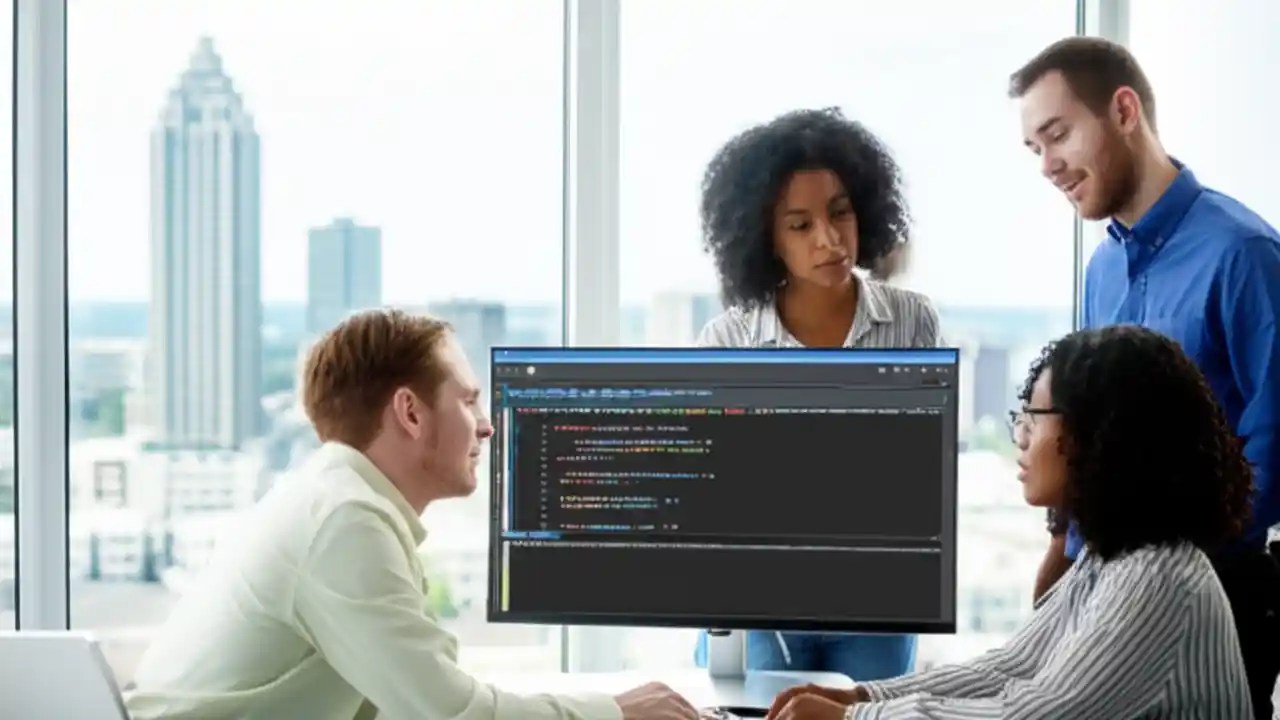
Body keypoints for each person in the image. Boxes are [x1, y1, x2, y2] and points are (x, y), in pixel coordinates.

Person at [124, 309, 699, 720]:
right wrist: (616, 712)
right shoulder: (345, 522)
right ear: (410, 412)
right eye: (469, 400)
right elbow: (451, 714)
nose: (487, 425)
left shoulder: (326, 496)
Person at [765, 325, 1253, 719]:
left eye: (1034, 418)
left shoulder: (1157, 578)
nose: (1020, 436)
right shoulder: (1113, 558)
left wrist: (854, 719)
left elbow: (1034, 713)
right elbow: (1012, 668)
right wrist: (864, 697)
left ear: (1097, 434)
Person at [1010, 36, 1280, 716]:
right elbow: (1083, 420)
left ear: (1124, 110)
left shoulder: (1242, 254)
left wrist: (1181, 566)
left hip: (1213, 587)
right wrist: (1065, 547)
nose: (1047, 165)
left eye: (1057, 135)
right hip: (1106, 580)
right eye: (1033, 149)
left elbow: (1277, 434)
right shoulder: (1102, 268)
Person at [692, 107, 940, 683]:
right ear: (767, 239)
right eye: (800, 226)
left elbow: (919, 471)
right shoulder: (729, 339)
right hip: (758, 608)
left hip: (876, 602)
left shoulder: (911, 323)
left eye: (840, 213)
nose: (829, 240)